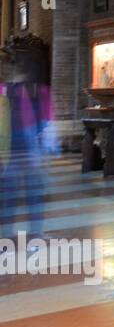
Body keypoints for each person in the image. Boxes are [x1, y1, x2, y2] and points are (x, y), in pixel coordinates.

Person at [1, 54, 54, 255]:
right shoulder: (8, 92)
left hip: (28, 154)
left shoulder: (40, 92)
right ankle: (13, 240)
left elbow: (47, 122)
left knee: (26, 197)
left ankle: (30, 237)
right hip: (16, 154)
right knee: (14, 199)